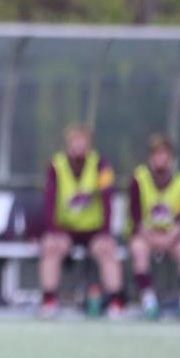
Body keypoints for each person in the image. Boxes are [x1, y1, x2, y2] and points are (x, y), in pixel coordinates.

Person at [39, 125, 124, 318]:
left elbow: (107, 200)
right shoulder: (55, 166)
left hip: (93, 229)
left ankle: (116, 302)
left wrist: (105, 233)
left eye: (82, 142)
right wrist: (52, 231)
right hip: (65, 228)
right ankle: (49, 301)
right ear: (67, 145)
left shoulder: (102, 166)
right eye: (74, 143)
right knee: (50, 248)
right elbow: (49, 201)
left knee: (107, 250)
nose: (78, 147)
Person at [128, 135, 180, 319]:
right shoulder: (139, 179)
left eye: (165, 155)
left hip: (170, 235)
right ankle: (149, 301)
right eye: (157, 154)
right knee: (138, 250)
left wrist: (170, 237)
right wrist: (149, 236)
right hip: (145, 234)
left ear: (171, 158)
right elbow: (134, 215)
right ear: (151, 157)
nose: (161, 159)